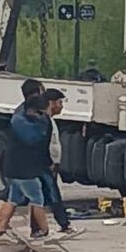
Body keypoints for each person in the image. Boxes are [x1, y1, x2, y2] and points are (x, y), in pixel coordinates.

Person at [0, 92, 51, 243]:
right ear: (35, 110)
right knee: (37, 199)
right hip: (25, 170)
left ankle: (0, 229)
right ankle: (44, 231)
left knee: (13, 199)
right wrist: (42, 123)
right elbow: (33, 139)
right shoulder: (23, 123)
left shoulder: (19, 118)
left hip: (14, 168)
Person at [34, 89, 83, 241]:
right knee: (52, 195)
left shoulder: (49, 120)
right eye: (60, 103)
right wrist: (51, 162)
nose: (61, 106)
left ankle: (37, 228)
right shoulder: (44, 121)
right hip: (44, 164)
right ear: (51, 103)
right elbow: (46, 144)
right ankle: (63, 224)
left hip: (46, 164)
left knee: (38, 196)